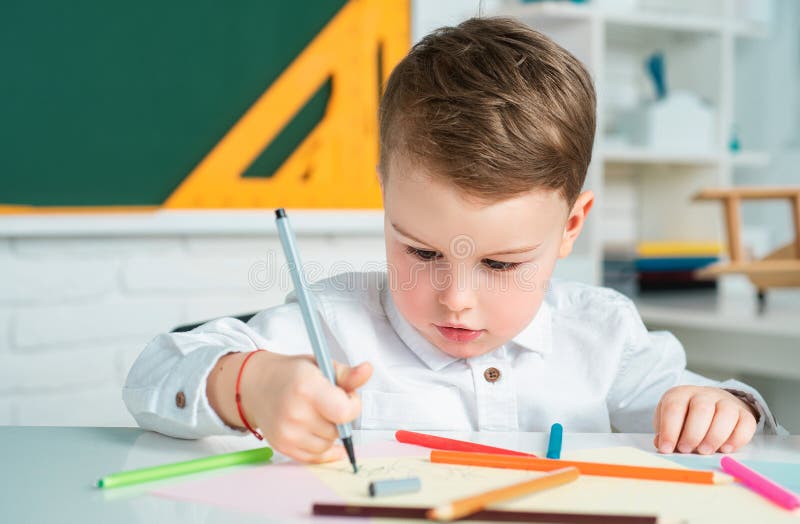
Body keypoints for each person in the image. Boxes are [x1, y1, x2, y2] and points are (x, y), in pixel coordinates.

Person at [124, 17, 780, 464]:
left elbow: (698, 409)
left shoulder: (603, 335)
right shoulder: (335, 325)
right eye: (422, 252)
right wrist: (251, 385)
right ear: (386, 196)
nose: (455, 299)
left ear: (569, 228)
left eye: (500, 262)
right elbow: (154, 374)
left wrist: (717, 408)